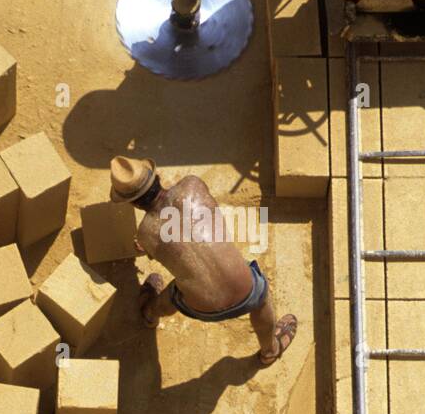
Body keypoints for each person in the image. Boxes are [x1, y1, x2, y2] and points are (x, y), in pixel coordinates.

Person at [110, 156, 297, 366]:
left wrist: (147, 248)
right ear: (157, 176)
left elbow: (163, 251)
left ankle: (150, 314)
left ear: (133, 203)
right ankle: (270, 350)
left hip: (203, 308)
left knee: (175, 292)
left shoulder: (145, 232)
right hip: (247, 292)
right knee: (262, 298)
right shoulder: (192, 185)